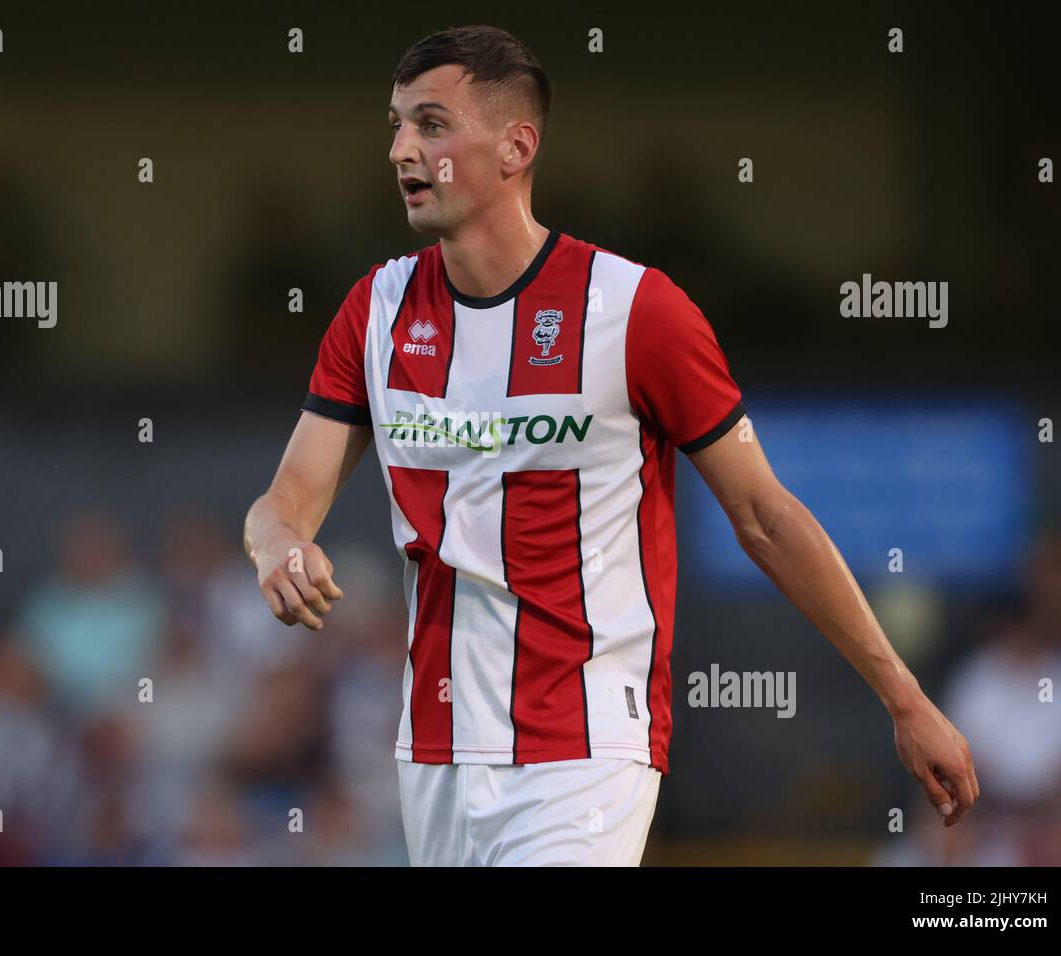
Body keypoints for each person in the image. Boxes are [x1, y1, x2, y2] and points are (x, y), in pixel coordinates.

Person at [243, 24, 978, 866]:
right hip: (434, 749)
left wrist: (904, 696)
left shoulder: (636, 311)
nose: (402, 150)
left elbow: (765, 515)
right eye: (397, 124)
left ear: (518, 145)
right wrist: (275, 543)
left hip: (587, 748)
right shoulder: (375, 311)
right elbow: (288, 498)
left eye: (432, 125)